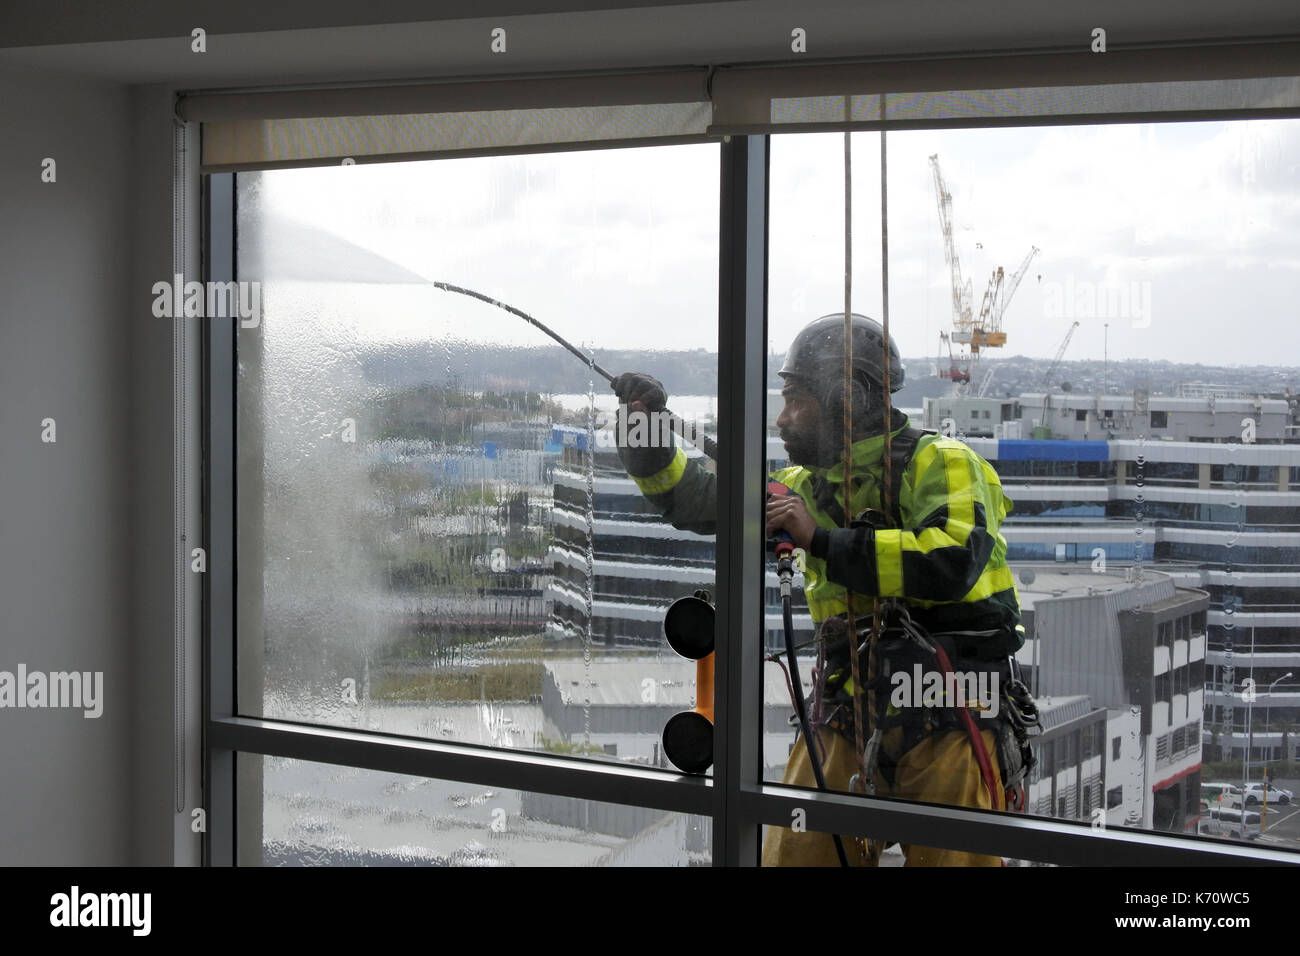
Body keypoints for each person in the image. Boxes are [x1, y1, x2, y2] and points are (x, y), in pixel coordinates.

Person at [611, 312, 1033, 866]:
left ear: (847, 399)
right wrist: (642, 432)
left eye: (795, 400)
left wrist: (821, 539)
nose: (782, 419)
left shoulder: (944, 462)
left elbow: (952, 559)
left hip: (952, 713)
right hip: (847, 712)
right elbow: (689, 498)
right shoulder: (800, 489)